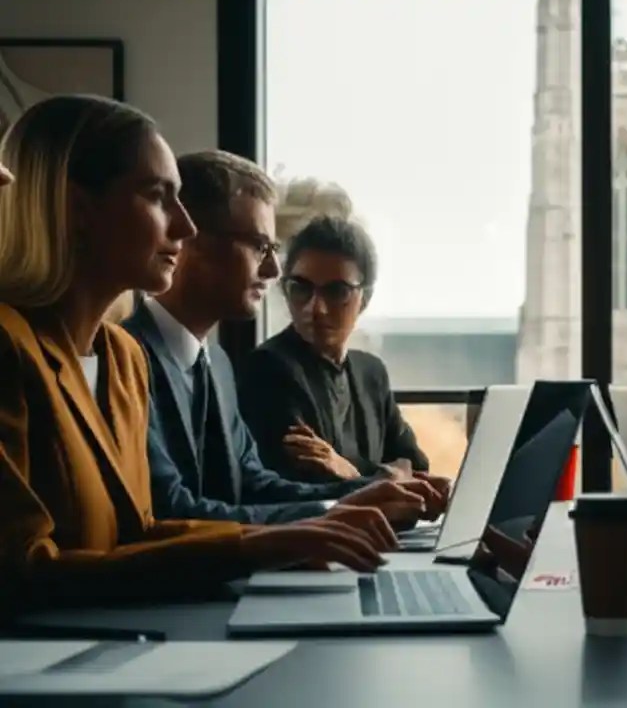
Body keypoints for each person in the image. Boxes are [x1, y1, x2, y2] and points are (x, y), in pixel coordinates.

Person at [0, 96, 390, 614]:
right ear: (79, 210)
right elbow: (22, 573)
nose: (185, 229)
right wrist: (261, 546)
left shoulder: (122, 357)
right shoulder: (8, 345)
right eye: (158, 197)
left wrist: (301, 530)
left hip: (128, 631)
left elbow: (140, 529)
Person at [123, 150, 444, 526]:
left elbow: (254, 485)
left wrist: (369, 493)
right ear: (192, 242)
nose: (273, 269)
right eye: (259, 246)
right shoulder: (126, 359)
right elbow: (173, 512)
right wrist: (343, 510)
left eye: (273, 250)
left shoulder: (218, 363)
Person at [238, 215, 438, 485]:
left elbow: (416, 465)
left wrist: (350, 471)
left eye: (336, 292)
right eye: (301, 288)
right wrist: (384, 477)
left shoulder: (371, 373)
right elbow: (308, 481)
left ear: (364, 299)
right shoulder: (267, 369)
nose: (316, 308)